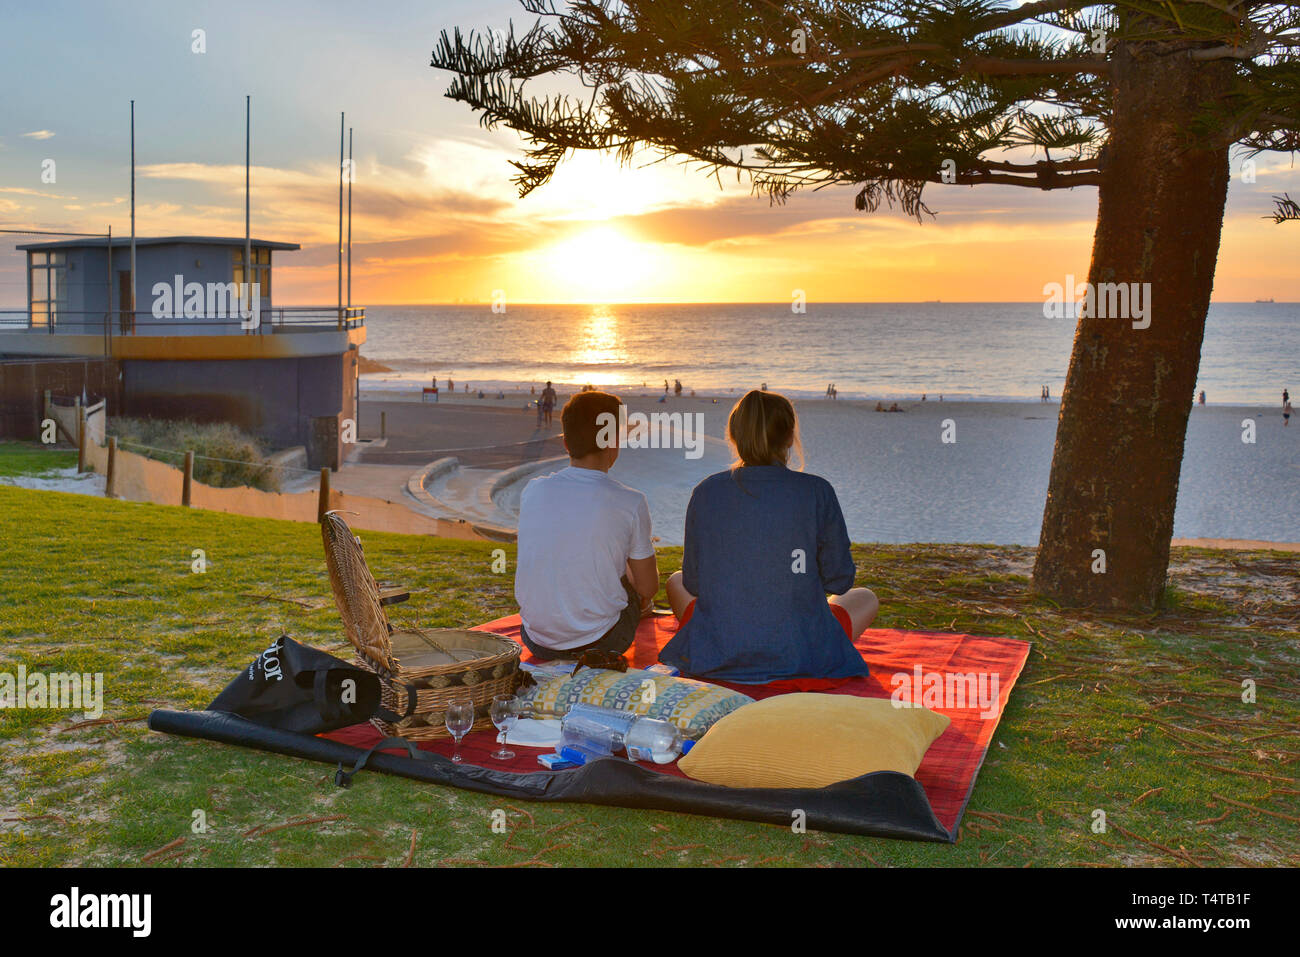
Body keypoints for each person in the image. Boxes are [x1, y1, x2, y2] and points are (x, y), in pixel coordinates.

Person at [661, 389, 878, 683]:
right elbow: (839, 582)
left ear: (734, 437)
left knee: (675, 580)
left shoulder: (706, 491)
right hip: (800, 651)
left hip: (721, 648)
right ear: (789, 438)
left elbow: (694, 583)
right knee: (865, 597)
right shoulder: (817, 491)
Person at [514, 390, 659, 661]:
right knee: (634, 580)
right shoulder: (631, 501)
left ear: (566, 443)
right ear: (613, 441)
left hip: (537, 640)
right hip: (602, 642)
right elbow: (648, 588)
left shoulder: (533, 490)